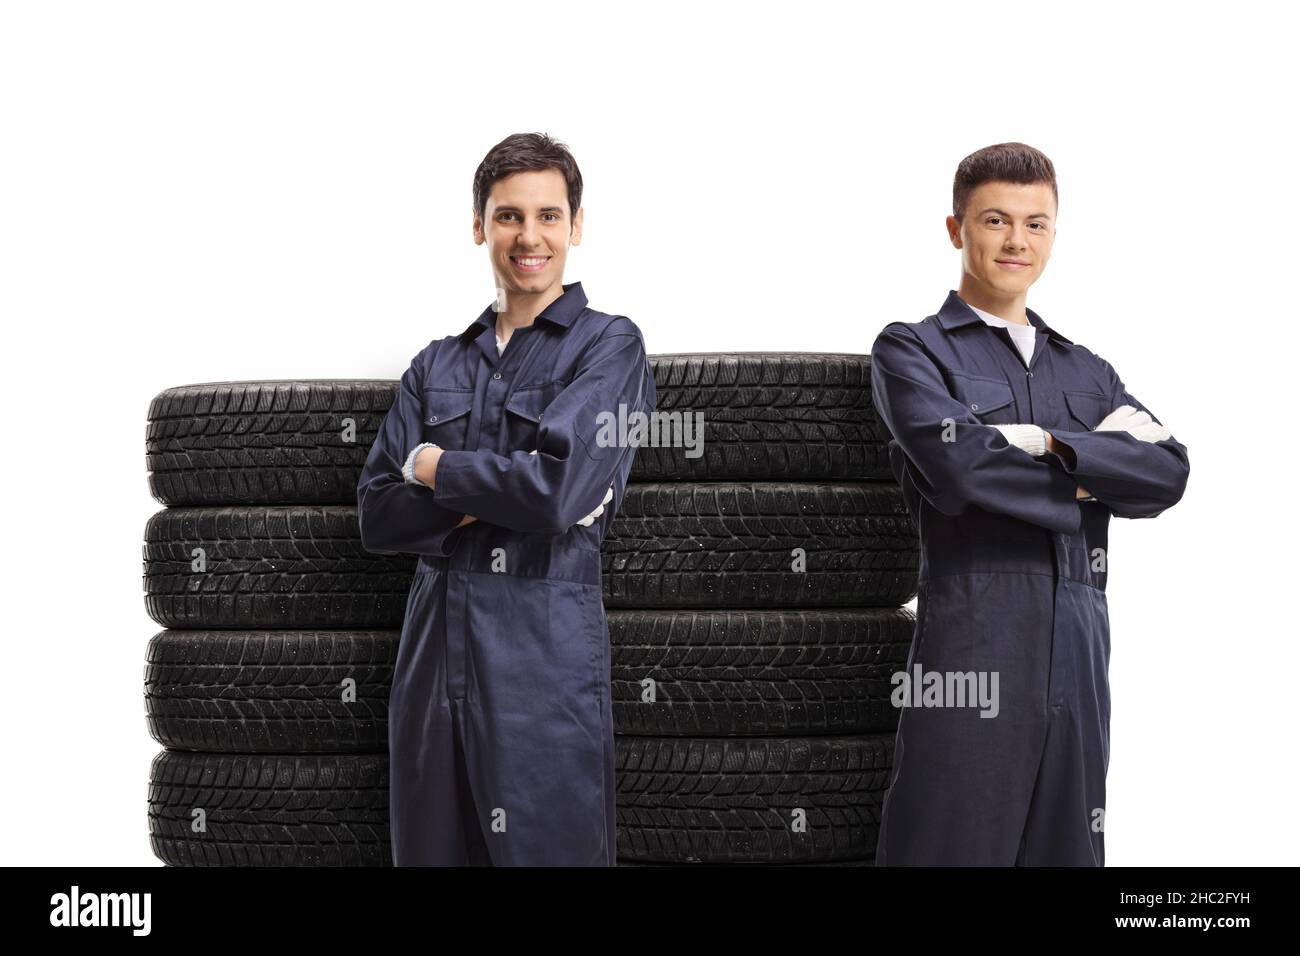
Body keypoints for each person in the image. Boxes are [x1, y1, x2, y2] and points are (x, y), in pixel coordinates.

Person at [870, 142, 1190, 866]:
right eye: (995, 220)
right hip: (974, 639)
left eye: (1036, 224)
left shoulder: (1088, 369)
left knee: (1070, 851)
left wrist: (1047, 445)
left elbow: (1168, 472)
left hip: (1080, 646)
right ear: (957, 229)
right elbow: (957, 468)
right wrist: (1096, 473)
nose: (1017, 241)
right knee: (947, 846)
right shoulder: (913, 352)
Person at [356, 132, 655, 866]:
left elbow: (556, 493)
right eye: (509, 216)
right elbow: (377, 516)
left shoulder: (608, 349)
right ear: (479, 225)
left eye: (549, 216)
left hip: (541, 659)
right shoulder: (438, 363)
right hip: (432, 658)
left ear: (576, 226)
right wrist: (498, 485)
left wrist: (434, 467)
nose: (530, 237)